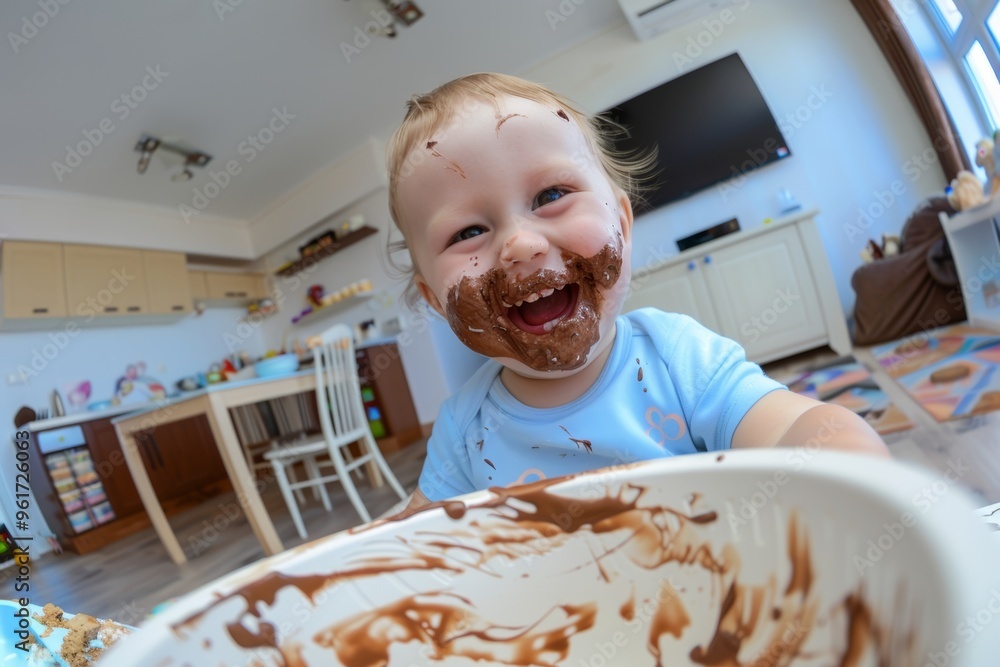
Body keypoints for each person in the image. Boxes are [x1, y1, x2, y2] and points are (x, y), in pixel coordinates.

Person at [385, 73, 889, 509]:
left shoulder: (677, 359)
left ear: (622, 225)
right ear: (435, 300)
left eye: (550, 195)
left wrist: (836, 446)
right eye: (468, 232)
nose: (521, 244)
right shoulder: (464, 430)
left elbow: (785, 429)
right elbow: (413, 545)